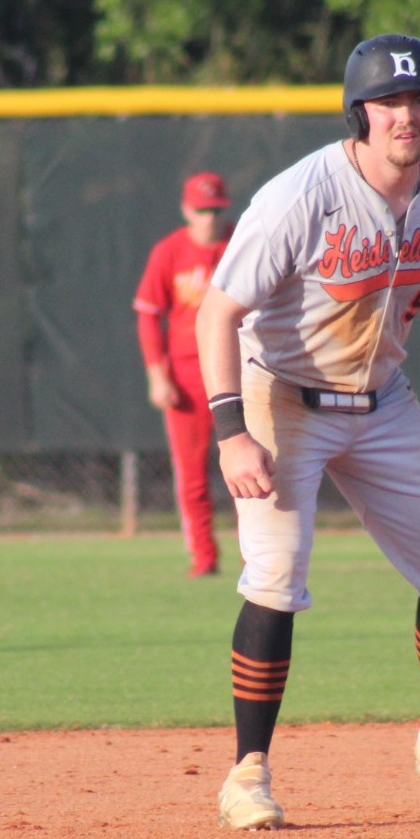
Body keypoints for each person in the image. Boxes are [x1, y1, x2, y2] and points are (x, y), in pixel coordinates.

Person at [195, 33, 420, 830]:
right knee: (276, 575)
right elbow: (219, 311)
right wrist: (230, 430)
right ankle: (247, 772)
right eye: (389, 101)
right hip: (281, 395)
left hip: (381, 400)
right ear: (360, 113)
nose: (407, 115)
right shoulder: (300, 194)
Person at [133, 171, 235, 577]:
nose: (208, 218)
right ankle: (204, 558)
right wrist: (158, 375)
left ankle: (259, 561)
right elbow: (147, 316)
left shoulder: (239, 244)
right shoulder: (169, 252)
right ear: (186, 210)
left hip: (237, 372)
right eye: (200, 210)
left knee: (252, 470)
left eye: (215, 210)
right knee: (192, 476)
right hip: (187, 377)